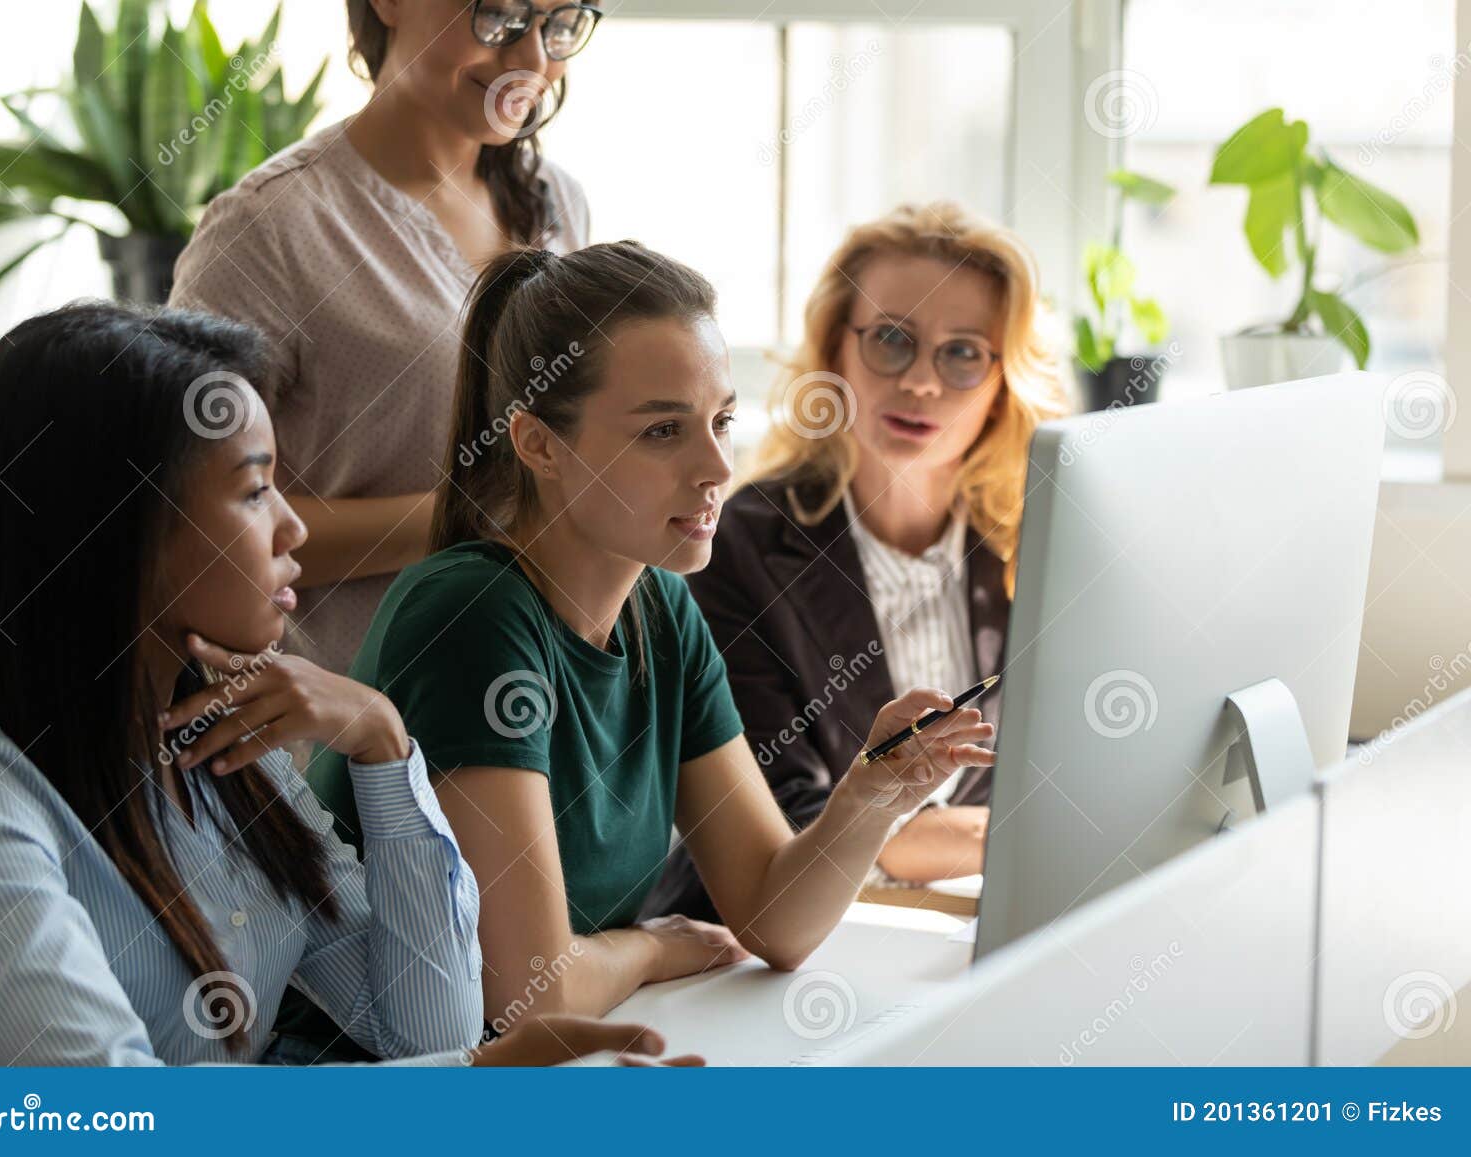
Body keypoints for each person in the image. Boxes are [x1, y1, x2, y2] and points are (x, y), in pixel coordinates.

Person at [0, 302, 689, 1068]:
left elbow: (423, 1025)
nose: (293, 526)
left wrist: (381, 740)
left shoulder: (225, 738)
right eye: (255, 489)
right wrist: (466, 1083)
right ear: (119, 532)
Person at [301, 241, 996, 1041]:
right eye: (664, 430)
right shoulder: (474, 612)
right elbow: (531, 996)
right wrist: (650, 949)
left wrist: (873, 792)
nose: (715, 467)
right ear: (537, 444)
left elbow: (776, 917)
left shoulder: (661, 604)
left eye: (722, 421)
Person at [643, 202, 1070, 920]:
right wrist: (1031, 837)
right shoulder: (737, 545)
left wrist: (952, 846)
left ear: (1004, 379)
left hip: (973, 921)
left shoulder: (1033, 542)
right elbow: (786, 823)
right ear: (836, 349)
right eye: (892, 339)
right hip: (784, 947)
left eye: (963, 351)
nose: (922, 382)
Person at [168, 0, 600, 675]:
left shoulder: (557, 203)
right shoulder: (271, 230)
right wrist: (477, 516)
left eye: (561, 23)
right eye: (501, 17)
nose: (532, 62)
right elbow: (192, 525)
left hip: (541, 697)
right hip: (349, 724)